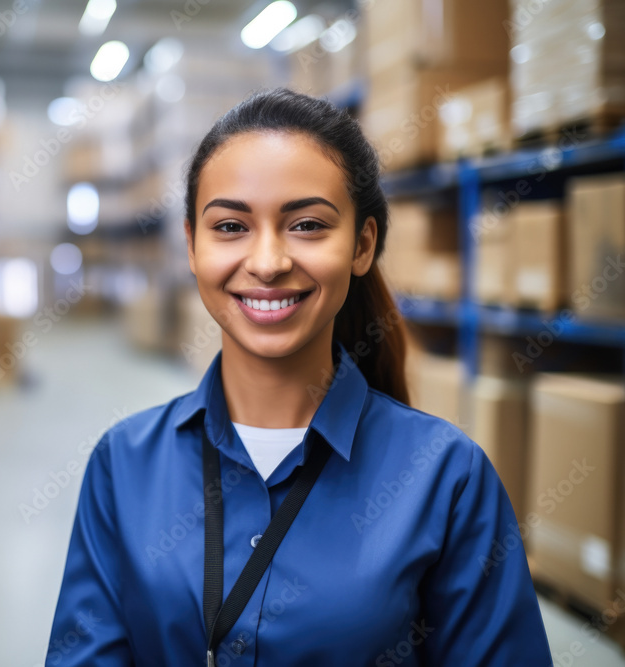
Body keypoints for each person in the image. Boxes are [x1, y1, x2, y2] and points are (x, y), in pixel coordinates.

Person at [45, 88, 552, 666]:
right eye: (231, 226)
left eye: (307, 225)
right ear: (190, 245)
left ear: (362, 246)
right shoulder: (125, 463)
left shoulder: (447, 480)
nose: (267, 262)